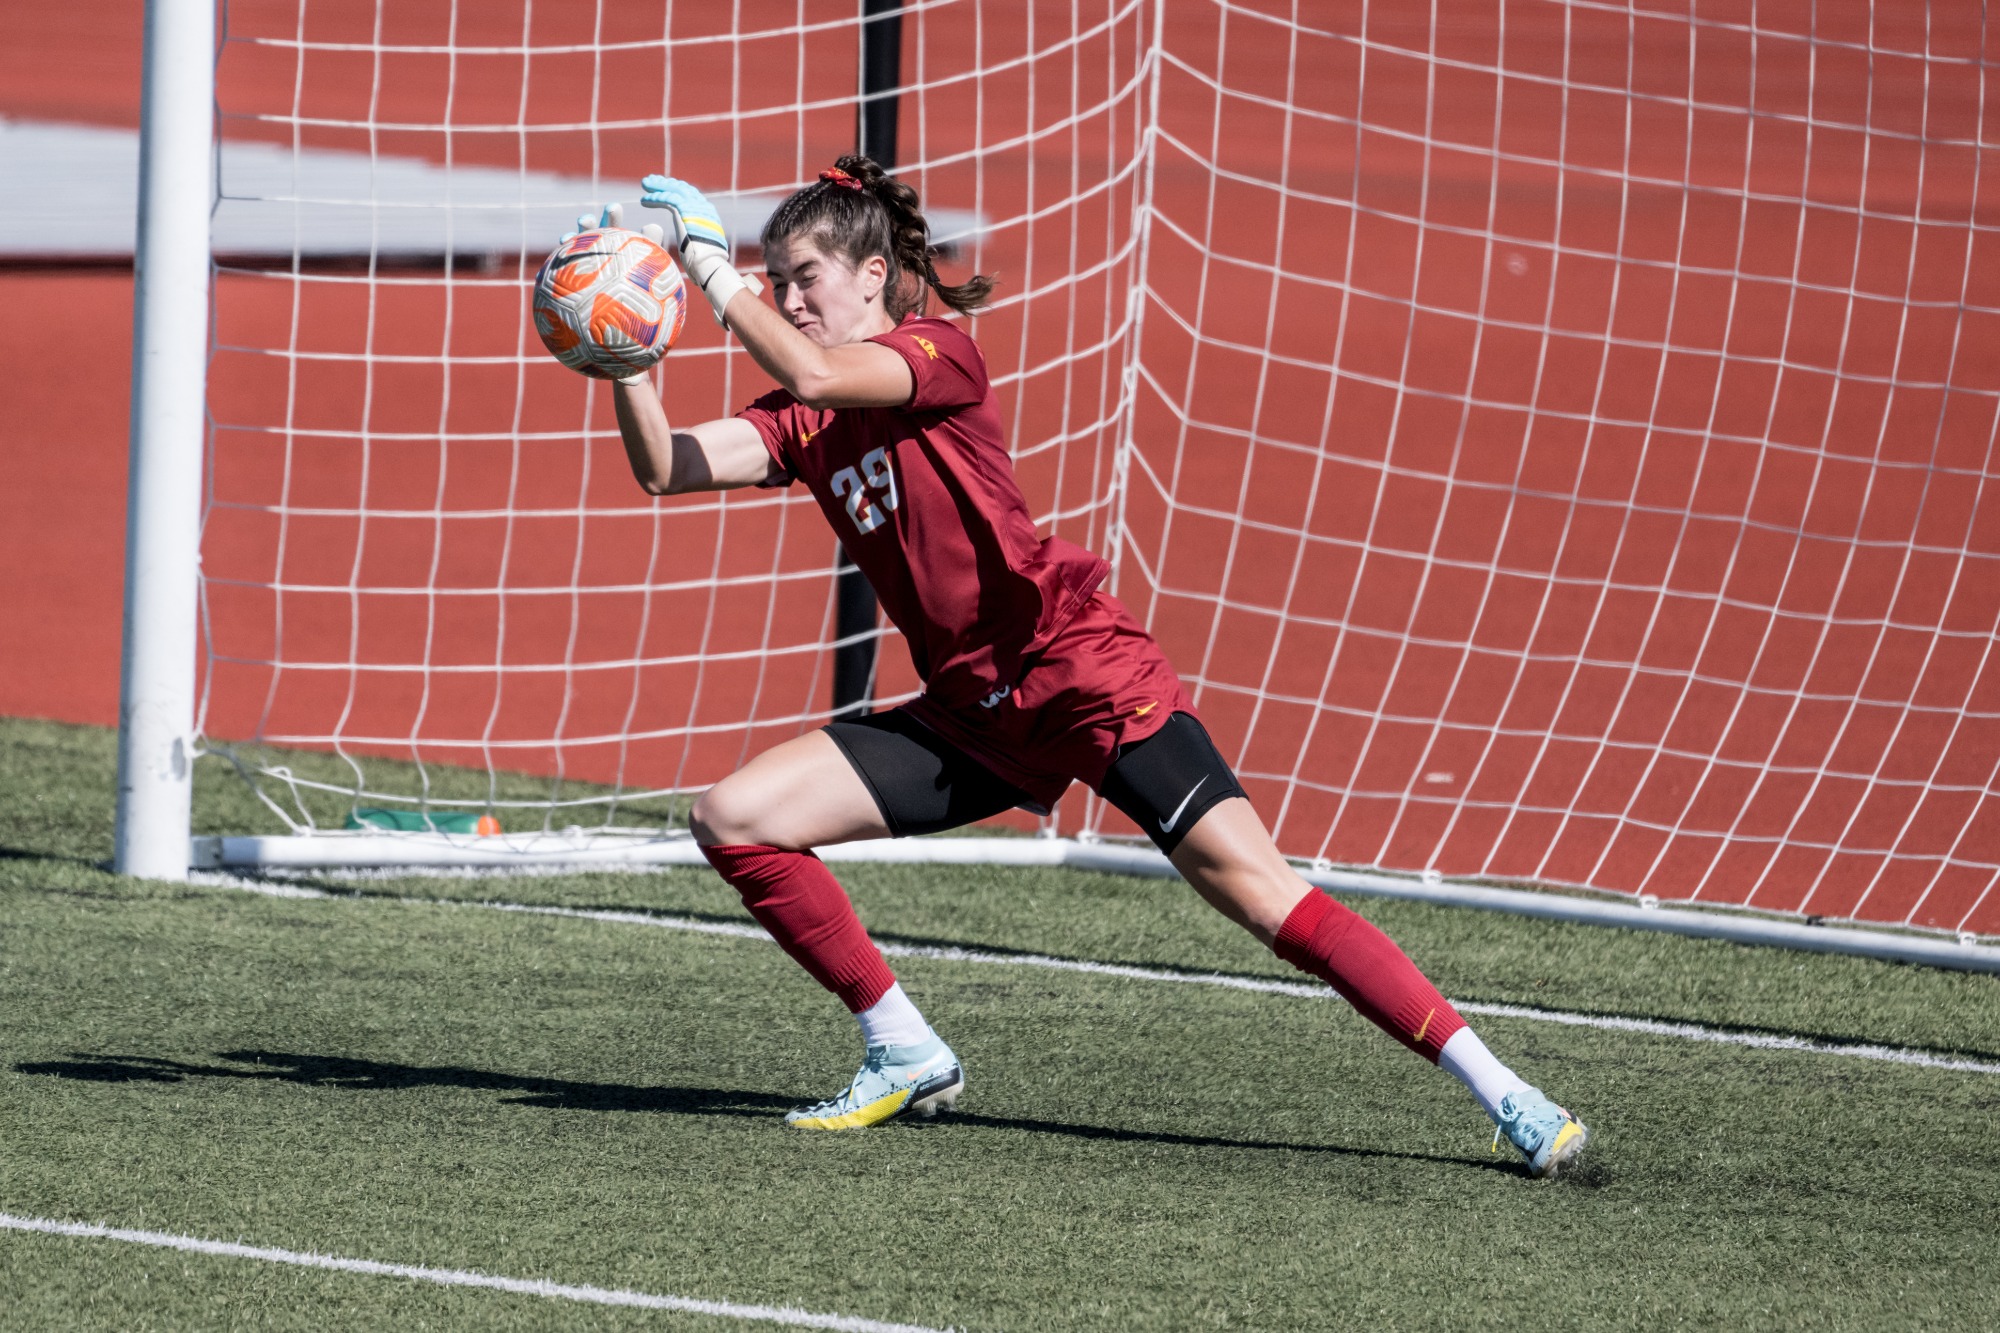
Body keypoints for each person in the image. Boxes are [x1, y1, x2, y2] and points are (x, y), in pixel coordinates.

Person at [593, 156, 1589, 1176]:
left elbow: (814, 371)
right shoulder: (801, 421)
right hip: (972, 715)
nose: (788, 297)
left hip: (1081, 676)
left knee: (1261, 895)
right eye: (777, 280)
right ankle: (902, 1047)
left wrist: (710, 271)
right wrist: (624, 350)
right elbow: (664, 466)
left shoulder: (935, 352)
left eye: (803, 276)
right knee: (734, 816)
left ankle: (1508, 1092)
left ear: (874, 274)